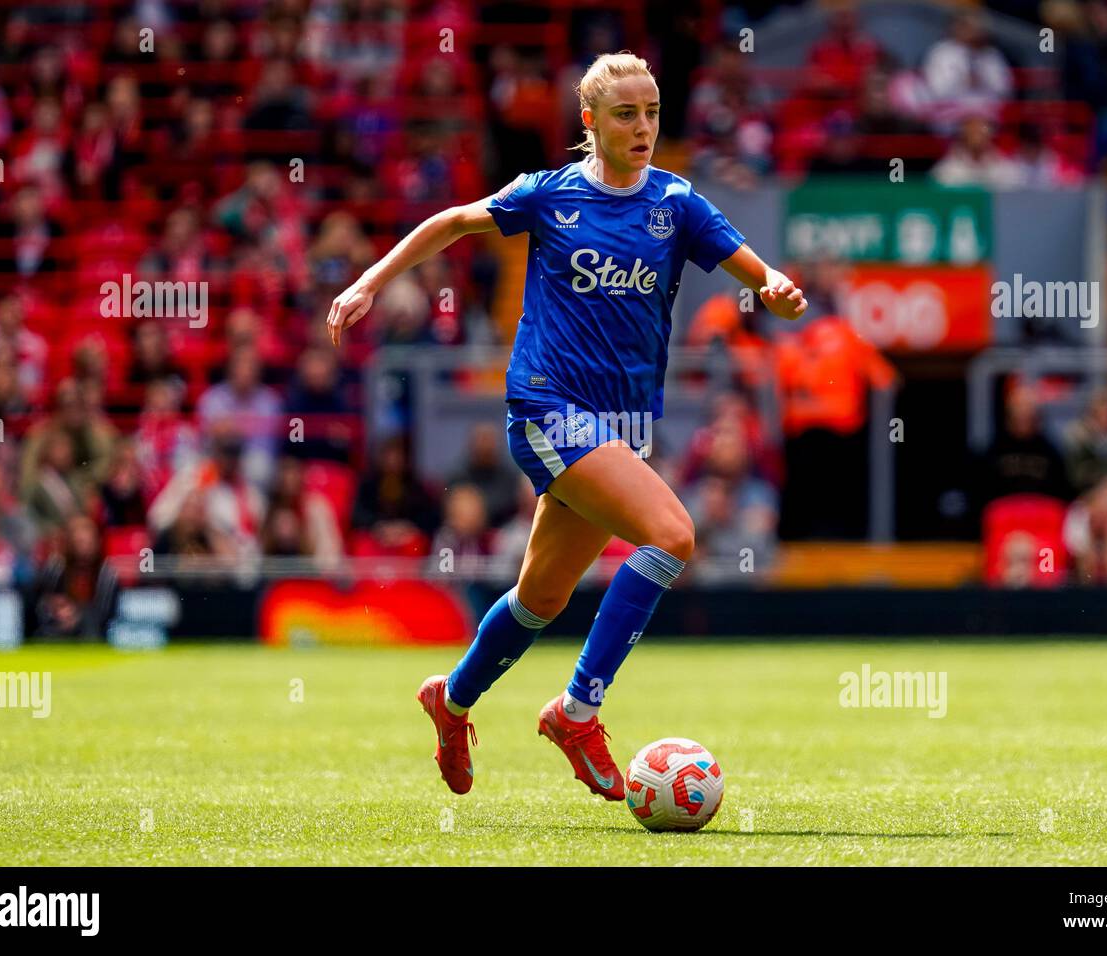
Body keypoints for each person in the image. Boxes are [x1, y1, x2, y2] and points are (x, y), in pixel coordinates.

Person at [326, 53, 807, 801]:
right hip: (548, 407)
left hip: (621, 427)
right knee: (673, 536)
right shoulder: (549, 196)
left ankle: (450, 702)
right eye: (625, 113)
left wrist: (772, 288)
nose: (643, 126)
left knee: (539, 599)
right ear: (590, 120)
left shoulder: (677, 204)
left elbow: (753, 270)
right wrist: (368, 282)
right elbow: (455, 222)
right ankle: (577, 711)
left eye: (650, 111)